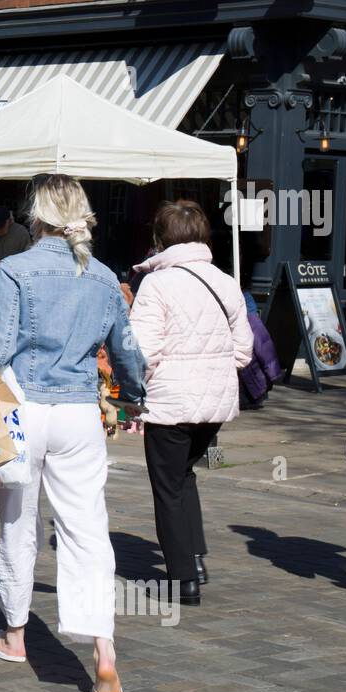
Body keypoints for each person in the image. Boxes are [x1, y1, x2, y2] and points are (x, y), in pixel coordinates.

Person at [0, 175, 146, 692]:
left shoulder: (16, 269)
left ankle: (16, 635)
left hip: (26, 411)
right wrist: (133, 398)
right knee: (87, 531)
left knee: (20, 523)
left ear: (36, 217)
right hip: (80, 413)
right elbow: (127, 354)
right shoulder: (106, 278)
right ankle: (104, 657)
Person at [129, 200, 253, 607]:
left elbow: (142, 352)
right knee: (184, 476)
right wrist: (216, 373)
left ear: (161, 238)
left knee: (167, 486)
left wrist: (135, 392)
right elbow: (244, 350)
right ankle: (195, 558)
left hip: (171, 401)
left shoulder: (158, 284)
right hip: (214, 403)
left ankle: (183, 577)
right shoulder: (225, 280)